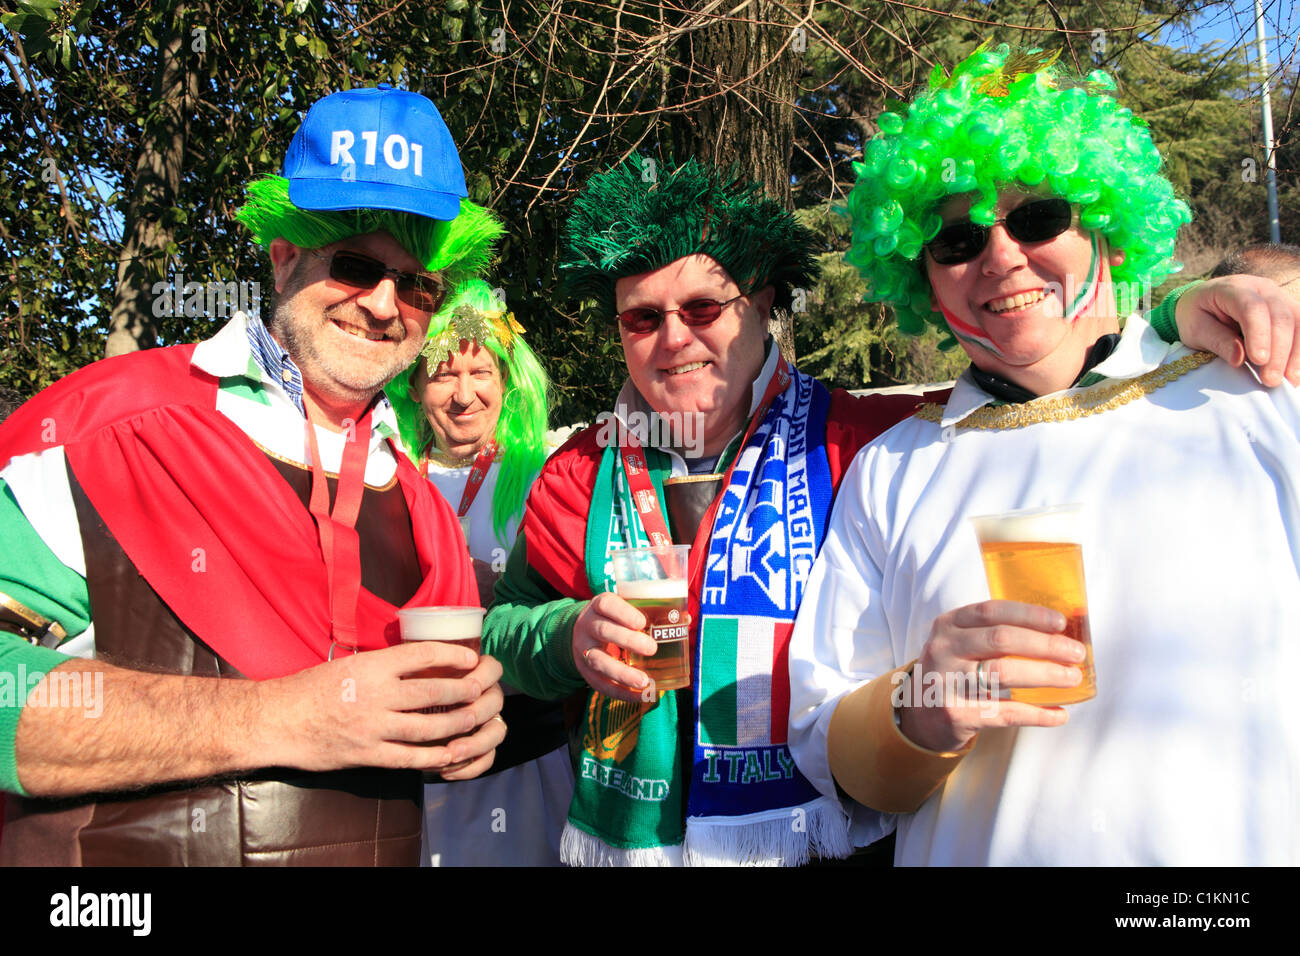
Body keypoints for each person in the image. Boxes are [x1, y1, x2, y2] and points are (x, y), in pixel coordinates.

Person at [481, 154, 1296, 866]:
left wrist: (1179, 311)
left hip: (822, 851)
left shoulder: (857, 443)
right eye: (641, 319)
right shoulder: (580, 472)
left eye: (703, 309)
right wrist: (564, 637)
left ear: (763, 307)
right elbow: (503, 630)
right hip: (640, 837)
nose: (674, 340)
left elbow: (1057, 386)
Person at [787, 45, 1300, 865]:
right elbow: (832, 755)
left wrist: (1185, 313)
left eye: (1036, 218)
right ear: (921, 272)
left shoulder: (1255, 394)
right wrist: (922, 706)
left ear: (1104, 225)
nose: (1000, 256)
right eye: (955, 241)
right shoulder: (894, 468)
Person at [0, 84, 508, 865]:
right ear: (282, 259)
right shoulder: (101, 426)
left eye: (416, 284)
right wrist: (287, 718)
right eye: (355, 265)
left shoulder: (419, 499)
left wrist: (479, 718)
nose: (383, 304)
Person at [385, 279, 573, 865]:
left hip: (525, 751)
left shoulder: (546, 471)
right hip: (411, 759)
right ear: (414, 385)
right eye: (443, 374)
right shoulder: (382, 476)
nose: (464, 394)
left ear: (506, 382)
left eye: (481, 373)